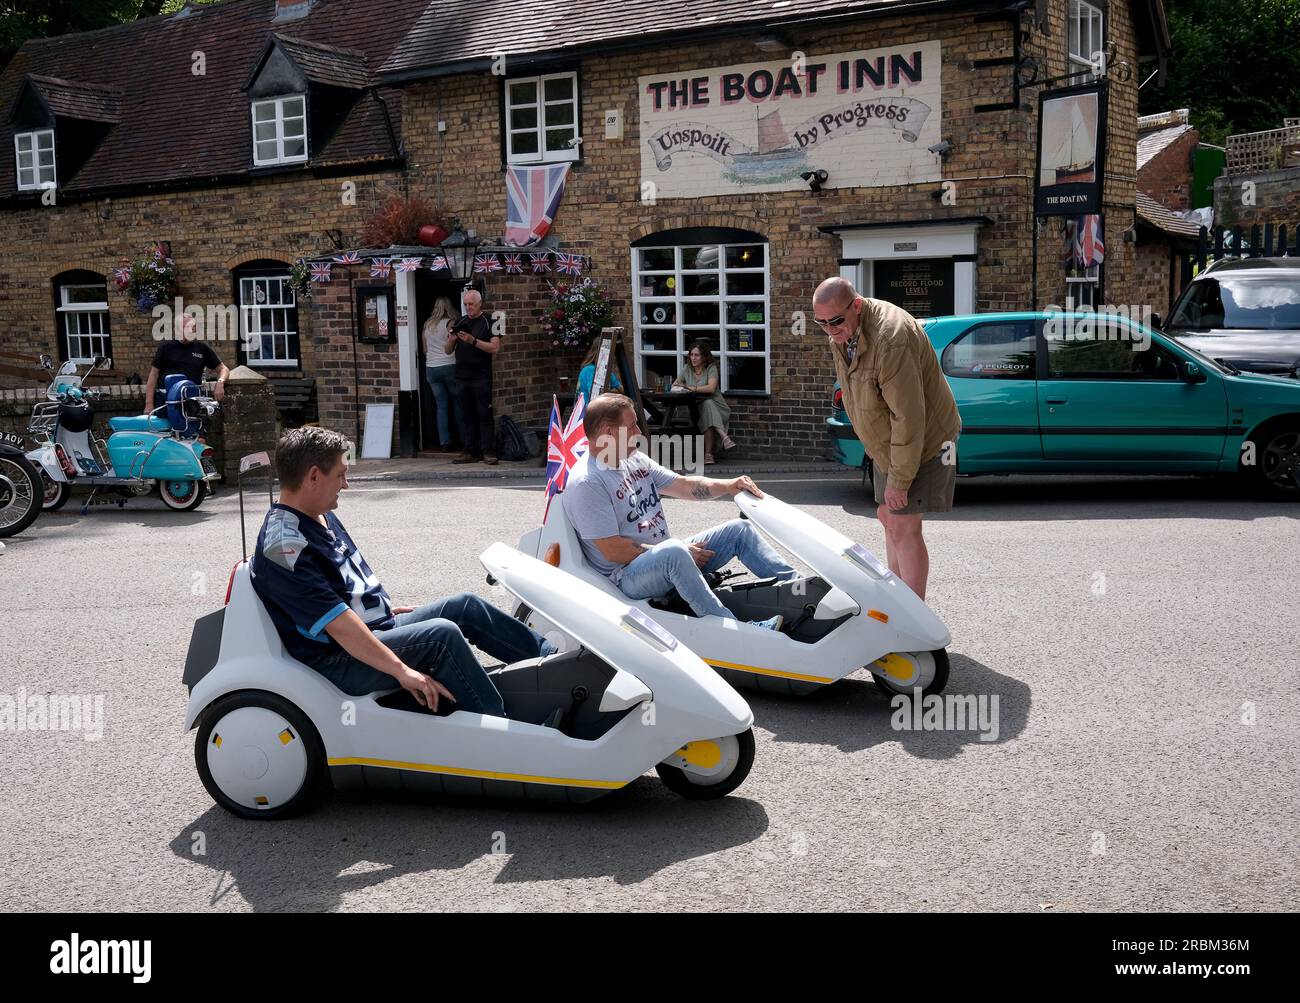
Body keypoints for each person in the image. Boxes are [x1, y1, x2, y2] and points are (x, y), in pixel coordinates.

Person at [250, 425, 560, 722]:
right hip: (337, 658)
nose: (346, 485)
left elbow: (344, 588)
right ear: (313, 476)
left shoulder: (318, 513)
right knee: (441, 635)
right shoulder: (284, 546)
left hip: (372, 631)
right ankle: (507, 732)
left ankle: (556, 661)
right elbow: (339, 627)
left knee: (465, 606)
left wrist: (380, 611)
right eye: (341, 475)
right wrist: (402, 670)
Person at [563, 393, 794, 628]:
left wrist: (730, 486)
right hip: (625, 577)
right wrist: (679, 552)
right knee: (675, 552)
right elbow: (612, 550)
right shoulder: (588, 482)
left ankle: (802, 588)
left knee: (739, 530)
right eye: (632, 426)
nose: (639, 433)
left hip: (660, 556)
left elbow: (684, 486)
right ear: (609, 432)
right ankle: (740, 632)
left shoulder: (633, 459)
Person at [813, 276, 961, 600]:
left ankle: (914, 625)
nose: (830, 330)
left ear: (856, 306)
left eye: (836, 320)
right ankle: (898, 607)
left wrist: (900, 479)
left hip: (925, 439)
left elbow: (909, 417)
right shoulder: (841, 334)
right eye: (821, 323)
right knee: (888, 517)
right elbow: (859, 393)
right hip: (886, 442)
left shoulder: (891, 339)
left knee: (904, 523)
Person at [450, 289, 500, 466]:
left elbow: (495, 348)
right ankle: (470, 450)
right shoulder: (460, 321)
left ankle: (488, 451)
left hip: (481, 376)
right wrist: (451, 338)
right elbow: (447, 350)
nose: (468, 308)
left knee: (484, 414)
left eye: (471, 304)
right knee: (467, 415)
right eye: (465, 305)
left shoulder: (491, 320)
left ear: (480, 303)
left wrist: (473, 341)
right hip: (462, 376)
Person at [142, 313, 229, 415]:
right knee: (166, 430)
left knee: (193, 430)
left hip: (192, 404)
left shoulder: (201, 348)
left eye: (193, 328)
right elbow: (153, 375)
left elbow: (223, 369)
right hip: (167, 402)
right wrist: (149, 404)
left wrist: (220, 382)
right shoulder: (166, 347)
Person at [673, 341, 734, 464]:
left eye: (697, 355)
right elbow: (675, 385)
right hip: (697, 408)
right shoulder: (687, 369)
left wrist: (691, 388)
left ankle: (709, 454)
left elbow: (711, 388)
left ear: (704, 357)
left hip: (718, 406)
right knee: (706, 407)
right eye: (691, 355)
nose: (693, 358)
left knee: (708, 404)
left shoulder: (711, 368)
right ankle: (723, 437)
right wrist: (681, 386)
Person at [422, 297, 464, 452]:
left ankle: (444, 442)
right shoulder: (450, 323)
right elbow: (456, 343)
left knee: (441, 406)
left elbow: (425, 349)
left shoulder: (427, 325)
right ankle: (464, 439)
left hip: (431, 368)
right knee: (458, 403)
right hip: (449, 365)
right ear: (449, 307)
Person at [575, 338, 622, 403]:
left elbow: (621, 389)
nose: (613, 357)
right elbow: (595, 396)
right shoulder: (590, 370)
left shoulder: (606, 371)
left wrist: (610, 391)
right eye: (611, 353)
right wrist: (611, 392)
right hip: (590, 411)